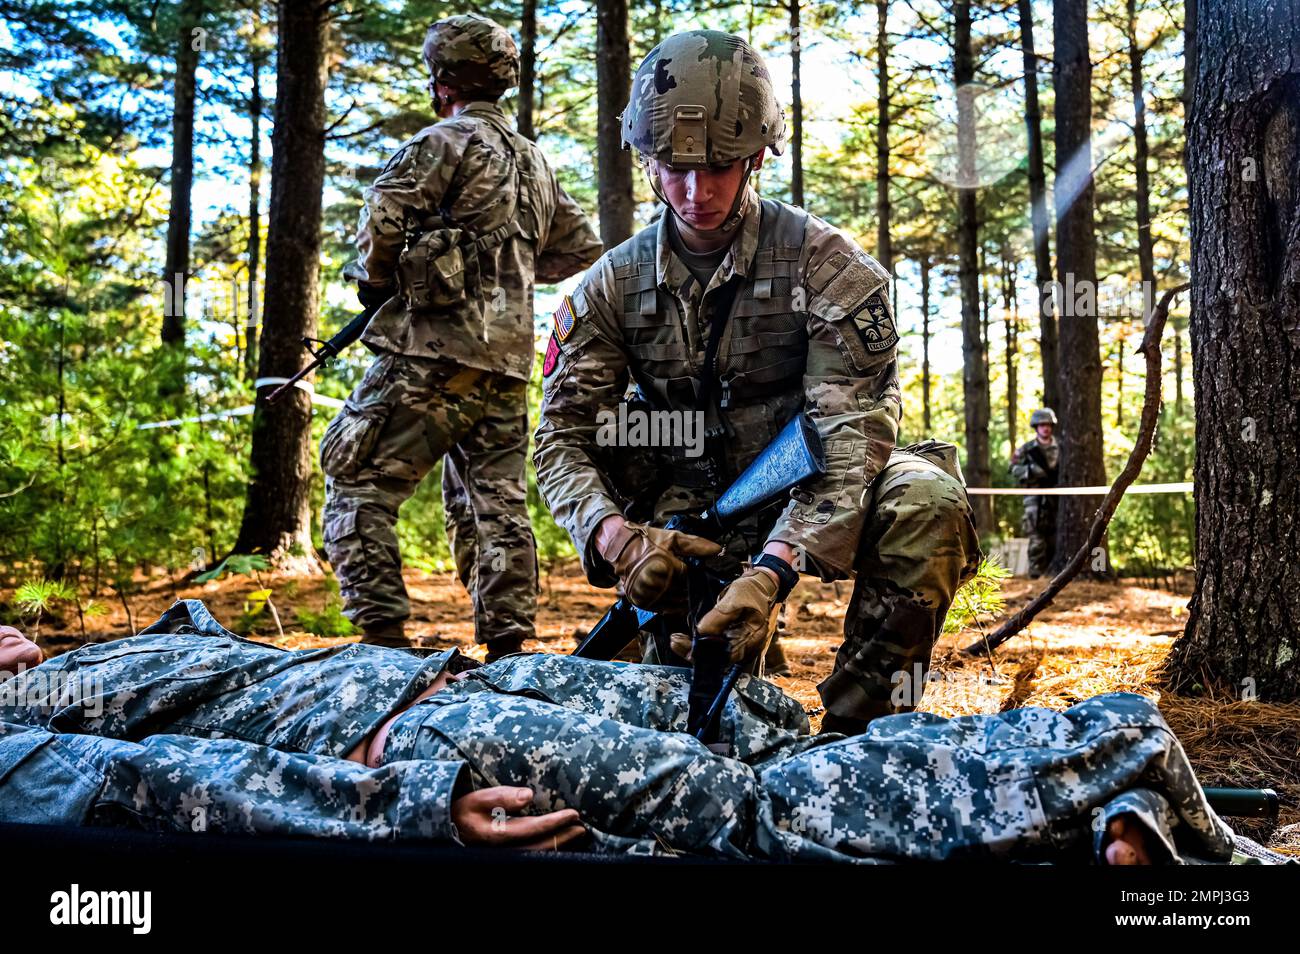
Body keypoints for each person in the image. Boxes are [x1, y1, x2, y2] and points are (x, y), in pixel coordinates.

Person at [0, 600, 1251, 865]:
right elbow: (148, 784)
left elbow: (201, 677)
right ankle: (1104, 752)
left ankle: (1104, 829)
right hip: (437, 744)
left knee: (753, 739)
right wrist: (405, 810)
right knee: (745, 819)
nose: (13, 641)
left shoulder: (72, 661)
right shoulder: (28, 716)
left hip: (465, 683)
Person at [533, 30, 980, 735]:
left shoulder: (828, 267)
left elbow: (847, 438)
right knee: (689, 730)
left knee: (925, 502)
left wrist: (774, 571)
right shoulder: (609, 286)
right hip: (685, 512)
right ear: (645, 160)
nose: (695, 190)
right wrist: (618, 539)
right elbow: (559, 437)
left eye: (719, 166)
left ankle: (861, 731)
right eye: (675, 166)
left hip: (812, 488)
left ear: (760, 155)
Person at [322, 14, 602, 657]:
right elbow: (580, 247)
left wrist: (380, 281)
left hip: (430, 354)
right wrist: (510, 272)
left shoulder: (443, 140)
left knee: (357, 479)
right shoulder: (533, 160)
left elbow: (382, 221)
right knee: (493, 504)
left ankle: (380, 643)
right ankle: (507, 650)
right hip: (505, 365)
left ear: (443, 78)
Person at [1010, 407, 1060, 577]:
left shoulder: (1061, 447)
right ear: (1036, 427)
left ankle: (1053, 572)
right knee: (1036, 535)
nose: (1045, 428)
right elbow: (1013, 468)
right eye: (1042, 425)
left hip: (1058, 495)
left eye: (1048, 425)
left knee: (1056, 533)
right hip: (1034, 496)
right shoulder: (1026, 449)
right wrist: (1030, 471)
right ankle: (1035, 573)